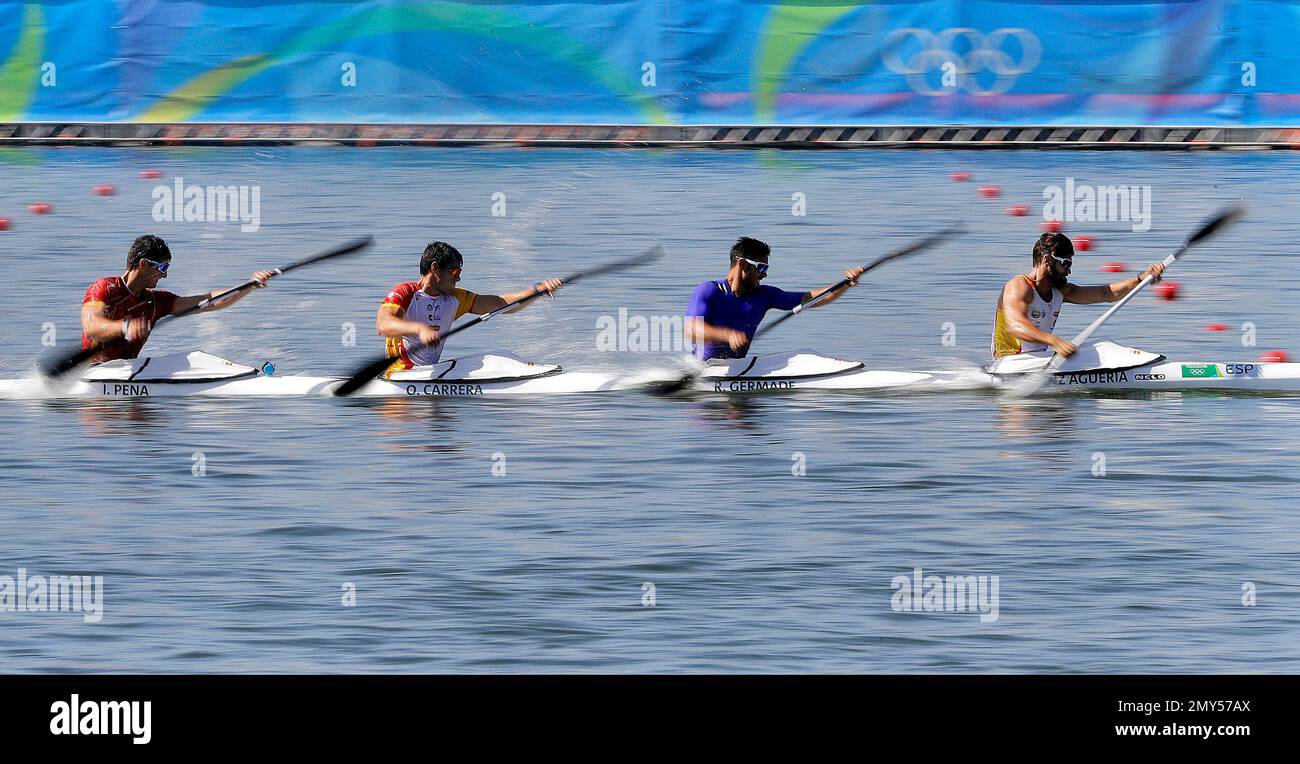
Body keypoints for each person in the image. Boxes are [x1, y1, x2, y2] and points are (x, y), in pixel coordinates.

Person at [81, 235, 273, 364]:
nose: (164, 275)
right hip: (94, 371)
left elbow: (209, 301)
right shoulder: (104, 288)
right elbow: (91, 327)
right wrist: (125, 327)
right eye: (162, 268)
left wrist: (249, 285)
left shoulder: (157, 301)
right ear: (143, 264)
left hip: (127, 370)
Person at [376, 241, 562, 375]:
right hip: (400, 376)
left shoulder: (456, 298)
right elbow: (383, 325)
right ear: (435, 268)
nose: (458, 278)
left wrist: (537, 290)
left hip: (430, 373)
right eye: (454, 271)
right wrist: (420, 329)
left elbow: (502, 304)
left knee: (496, 357)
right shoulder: (405, 292)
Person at [684, 237, 865, 361]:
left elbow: (812, 298)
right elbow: (691, 329)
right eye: (761, 268)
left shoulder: (765, 295)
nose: (765, 274)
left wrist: (845, 284)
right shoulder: (709, 290)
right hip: (704, 369)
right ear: (742, 264)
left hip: (737, 369)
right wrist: (728, 335)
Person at [992, 232, 1166, 359]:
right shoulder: (1019, 286)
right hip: (1008, 362)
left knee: (1102, 346)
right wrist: (1055, 342)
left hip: (1038, 363)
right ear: (1047, 260)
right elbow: (1014, 326)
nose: (1069, 271)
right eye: (1065, 264)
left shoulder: (1060, 291)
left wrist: (1141, 279)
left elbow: (1106, 293)